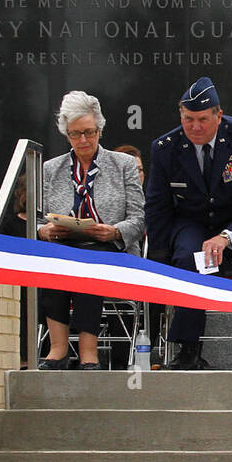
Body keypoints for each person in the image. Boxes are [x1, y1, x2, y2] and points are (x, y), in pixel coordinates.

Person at [145, 76, 232, 370]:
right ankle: (189, 350)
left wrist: (228, 236)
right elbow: (157, 207)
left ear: (218, 115)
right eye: (188, 119)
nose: (195, 127)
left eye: (202, 119)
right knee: (188, 258)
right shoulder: (165, 148)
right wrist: (158, 257)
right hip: (191, 223)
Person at [37, 92, 146, 370]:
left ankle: (88, 351)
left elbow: (138, 220)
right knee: (53, 259)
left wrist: (115, 231)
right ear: (66, 134)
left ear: (100, 129)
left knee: (88, 263)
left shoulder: (123, 165)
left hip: (111, 249)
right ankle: (58, 349)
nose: (83, 140)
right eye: (75, 134)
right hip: (66, 244)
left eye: (89, 132)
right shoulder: (51, 168)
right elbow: (38, 220)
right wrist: (45, 230)